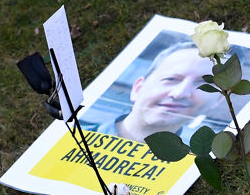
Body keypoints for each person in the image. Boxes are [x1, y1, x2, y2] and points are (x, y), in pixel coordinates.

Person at [87, 41, 223, 143]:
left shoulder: (196, 165)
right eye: (171, 79)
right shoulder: (77, 136)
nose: (180, 93)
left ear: (219, 99)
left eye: (204, 84)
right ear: (138, 88)